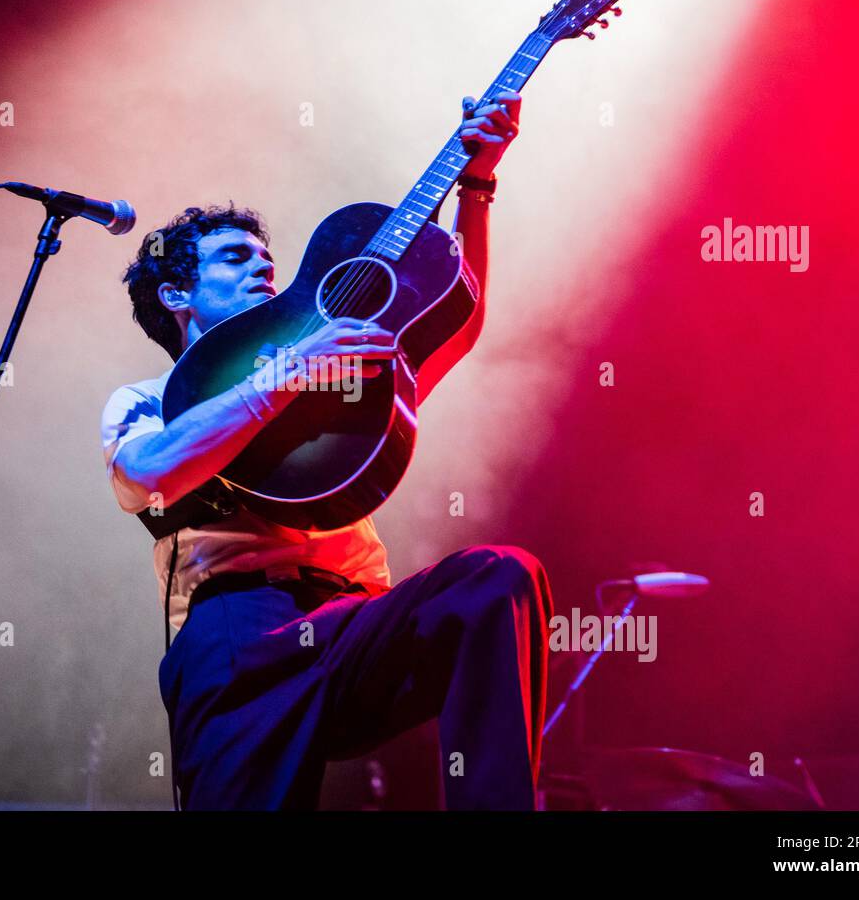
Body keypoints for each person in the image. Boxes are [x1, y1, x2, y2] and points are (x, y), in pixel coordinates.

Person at [100, 92, 553, 809]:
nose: (265, 270)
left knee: (495, 580)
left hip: (350, 623)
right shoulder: (147, 399)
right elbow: (147, 477)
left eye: (268, 258)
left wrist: (478, 185)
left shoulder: (333, 369)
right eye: (234, 258)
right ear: (177, 293)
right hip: (236, 640)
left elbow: (452, 327)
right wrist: (287, 372)